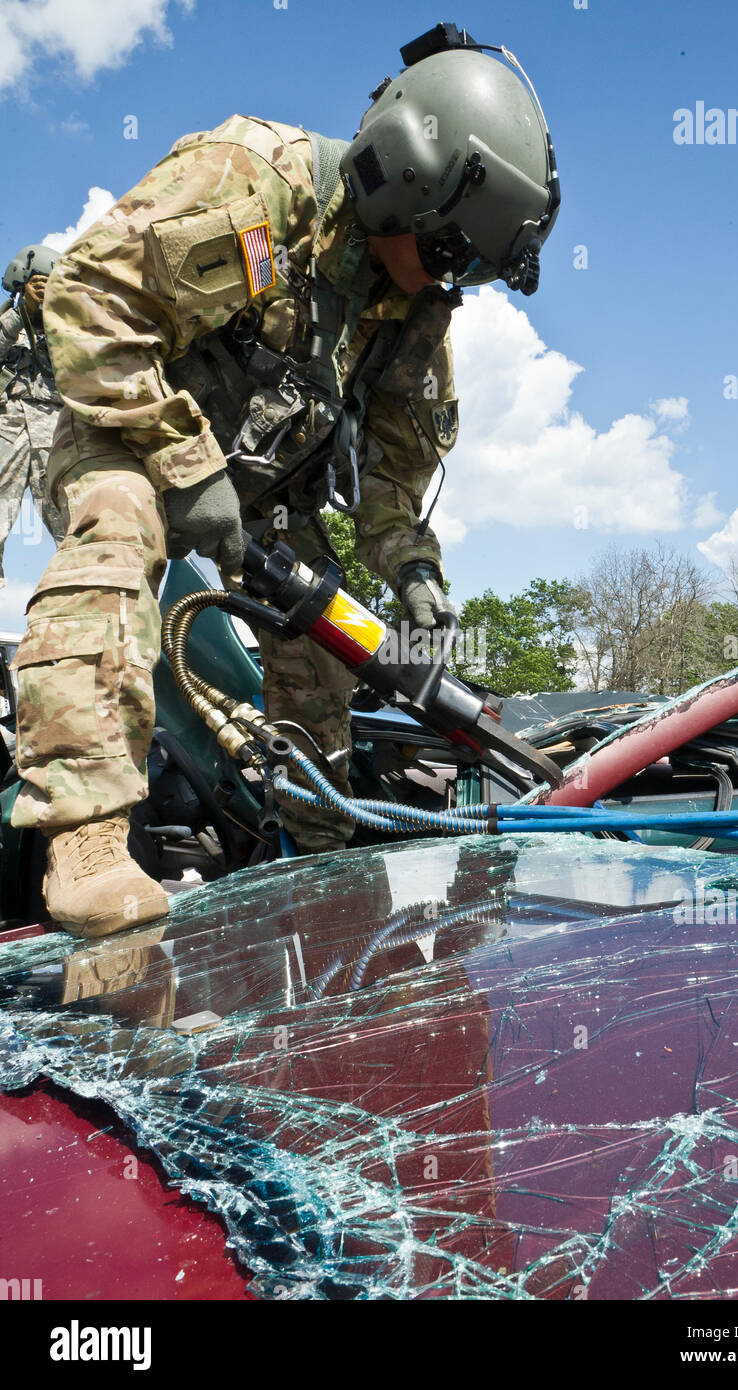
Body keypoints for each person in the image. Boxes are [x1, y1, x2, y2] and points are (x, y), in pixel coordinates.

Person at [11, 24, 559, 937]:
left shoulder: (416, 312)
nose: (453, 286)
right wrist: (183, 464)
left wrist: (413, 574)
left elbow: (392, 475)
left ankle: (316, 852)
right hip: (127, 422)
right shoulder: (252, 178)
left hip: (261, 497)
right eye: (452, 253)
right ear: (400, 176)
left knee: (321, 646)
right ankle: (87, 837)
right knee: (120, 523)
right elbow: (88, 304)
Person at [0, 245, 66, 586]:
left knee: (72, 527)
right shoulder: (8, 322)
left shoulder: (67, 331)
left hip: (55, 431)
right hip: (6, 428)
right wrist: (21, 311)